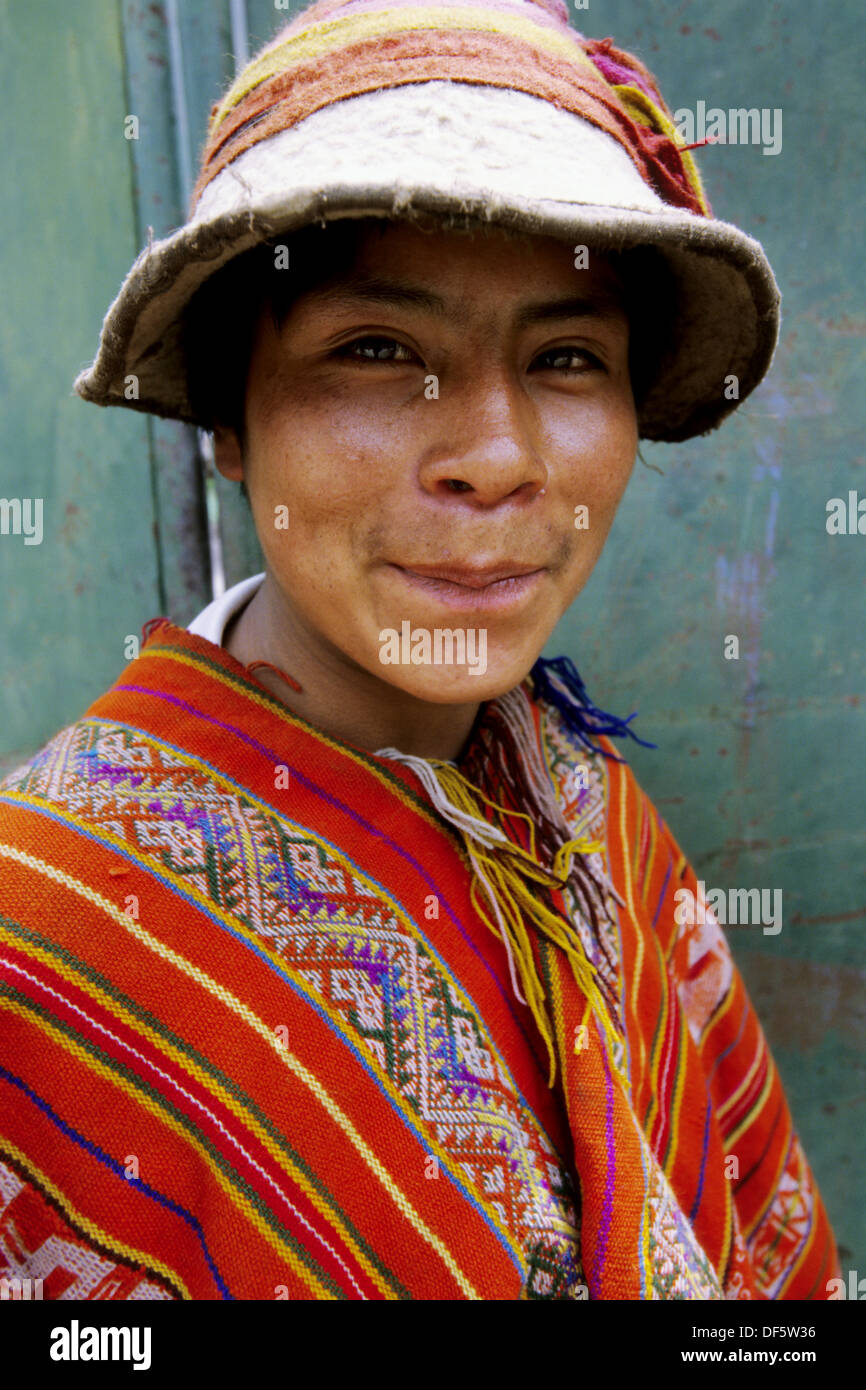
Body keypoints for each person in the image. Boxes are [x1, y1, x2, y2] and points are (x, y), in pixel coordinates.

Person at [0, 0, 838, 1300]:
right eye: (377, 351)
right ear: (228, 421)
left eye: (566, 356)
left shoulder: (580, 805)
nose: (497, 457)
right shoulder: (37, 940)